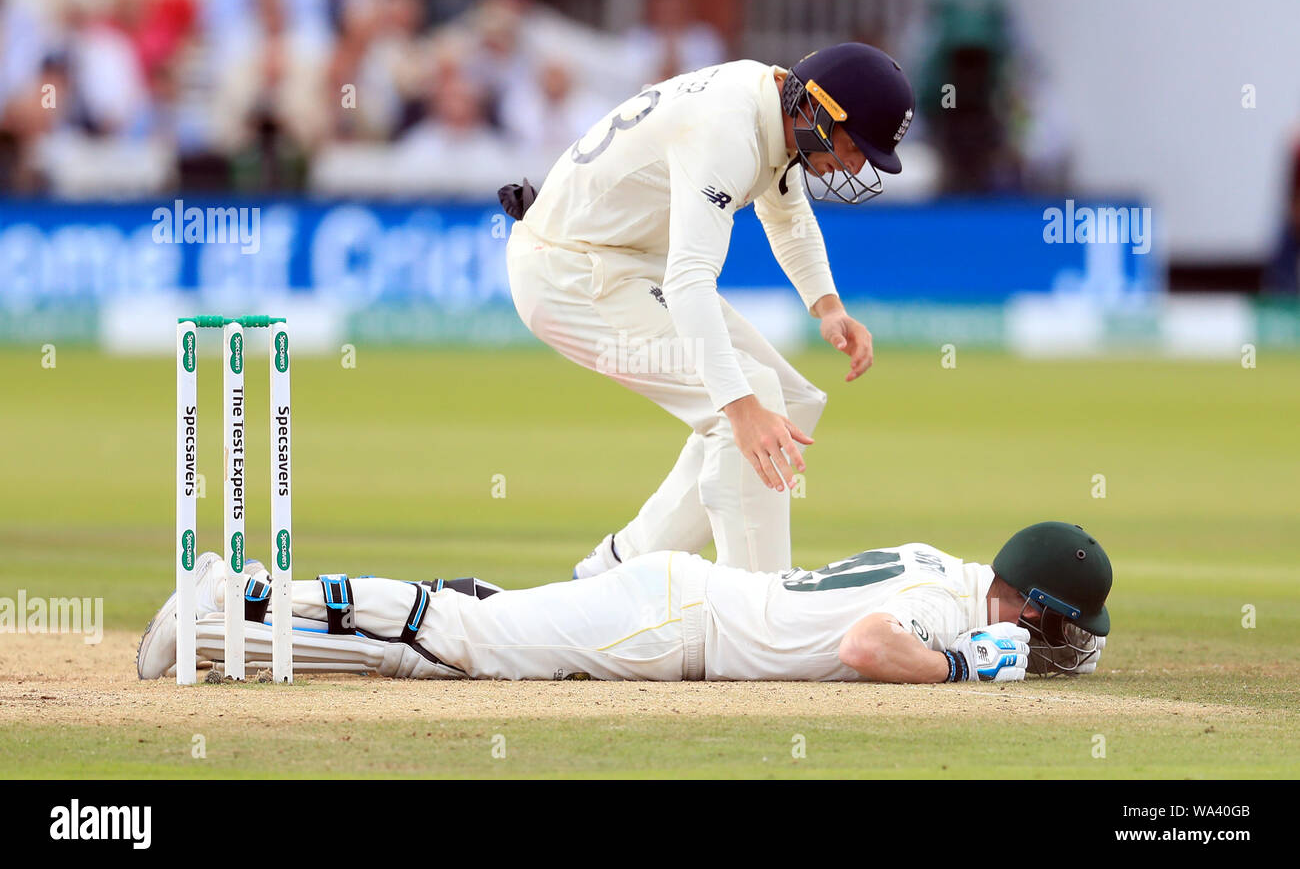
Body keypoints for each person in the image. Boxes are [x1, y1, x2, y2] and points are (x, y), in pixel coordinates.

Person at [498, 43, 916, 579]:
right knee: (750, 401)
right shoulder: (727, 131)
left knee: (788, 400)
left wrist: (828, 307)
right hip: (567, 272)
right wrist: (739, 411)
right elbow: (690, 280)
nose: (856, 164)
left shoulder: (768, 106)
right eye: (855, 144)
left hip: (623, 262)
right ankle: (759, 612)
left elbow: (786, 215)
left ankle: (615, 575)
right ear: (817, 108)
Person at [137, 521, 1110, 684]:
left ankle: (247, 625)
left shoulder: (942, 565)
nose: (1063, 646)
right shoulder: (950, 613)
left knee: (472, 623)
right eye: (1059, 626)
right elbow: (864, 645)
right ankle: (239, 603)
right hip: (674, 625)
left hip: (676, 603)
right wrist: (954, 668)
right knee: (469, 638)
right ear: (1024, 606)